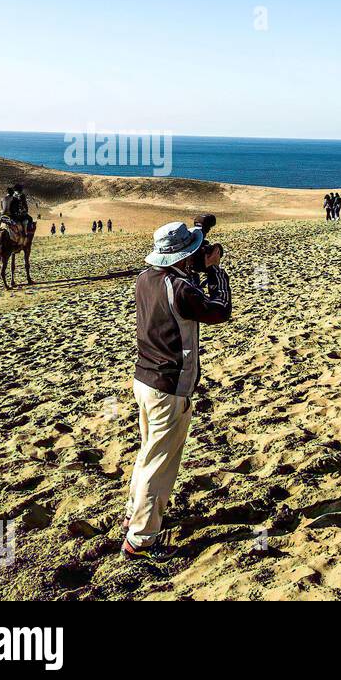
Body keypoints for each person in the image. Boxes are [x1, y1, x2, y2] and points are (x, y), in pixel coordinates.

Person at [123, 222, 232, 559]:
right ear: (185, 258)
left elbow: (183, 286)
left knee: (148, 454)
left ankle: (134, 515)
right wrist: (215, 272)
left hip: (144, 380)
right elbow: (220, 309)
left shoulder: (146, 278)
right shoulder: (181, 289)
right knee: (161, 463)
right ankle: (141, 539)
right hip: (169, 388)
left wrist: (196, 260)